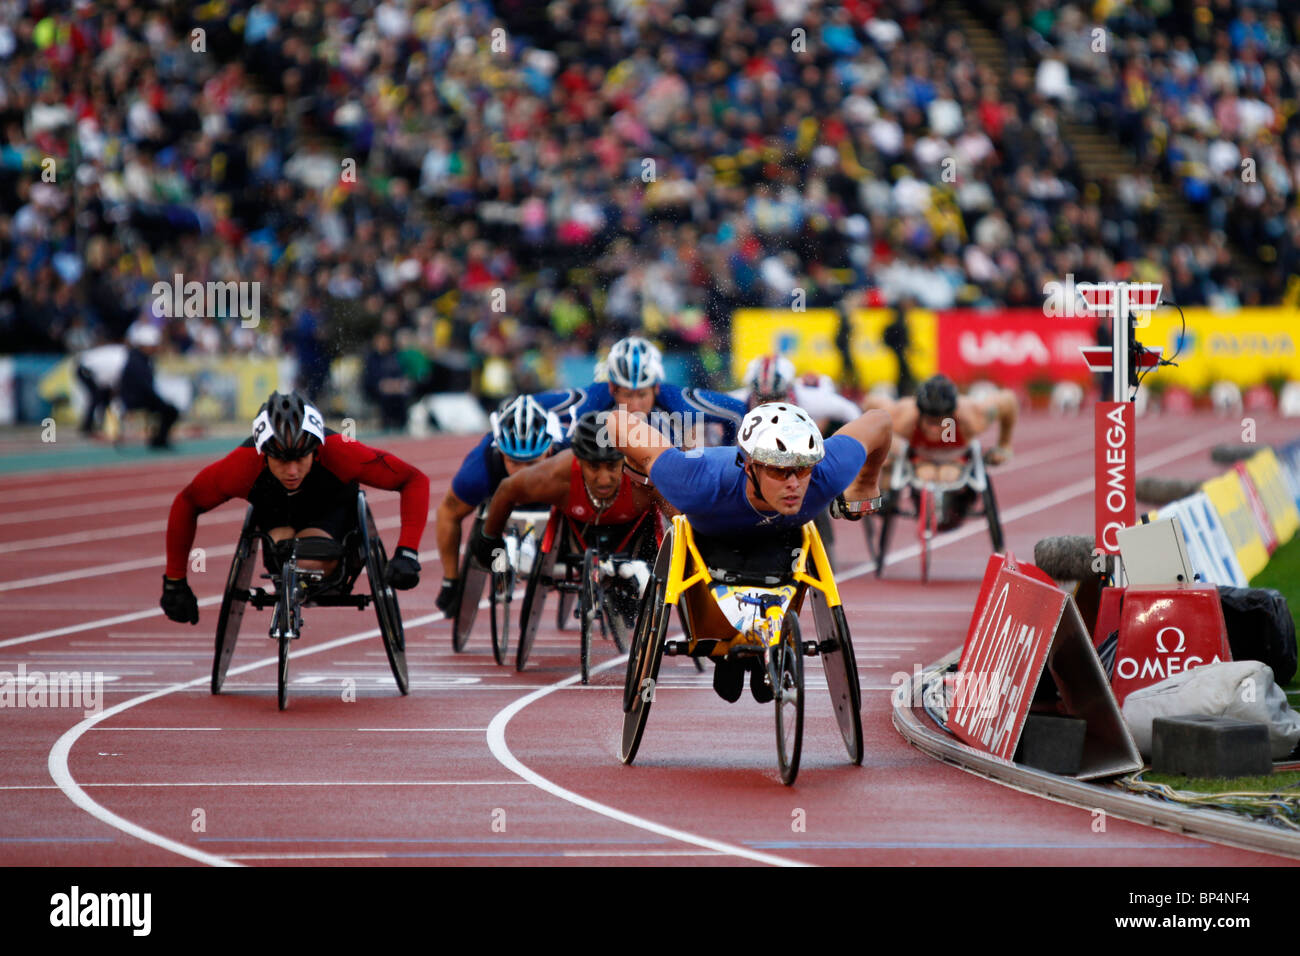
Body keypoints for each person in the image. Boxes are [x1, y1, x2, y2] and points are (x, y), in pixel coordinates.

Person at [608, 401, 891, 703]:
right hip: (712, 541)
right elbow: (617, 421)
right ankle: (731, 656)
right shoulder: (695, 480)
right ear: (749, 465)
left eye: (803, 468)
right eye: (780, 472)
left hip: (781, 544)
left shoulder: (826, 475)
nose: (794, 484)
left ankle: (761, 651)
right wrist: (639, 468)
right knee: (728, 668)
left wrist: (865, 482)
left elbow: (880, 421)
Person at [159, 392, 429, 625]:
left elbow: (413, 480)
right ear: (264, 452)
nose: (291, 471)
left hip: (330, 508)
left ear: (316, 449)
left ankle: (313, 570)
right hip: (276, 512)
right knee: (286, 556)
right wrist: (175, 582)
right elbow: (188, 502)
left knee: (310, 560)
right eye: (280, 459)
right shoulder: (242, 466)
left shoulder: (341, 453)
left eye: (300, 458)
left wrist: (407, 552)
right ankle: (292, 577)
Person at [469, 412, 663, 596]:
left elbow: (682, 521)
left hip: (635, 533)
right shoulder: (557, 476)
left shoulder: (647, 481)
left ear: (625, 458)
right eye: (594, 467)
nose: (604, 479)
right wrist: (489, 539)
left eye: (612, 467)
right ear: (579, 461)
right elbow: (506, 490)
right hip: (577, 533)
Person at [433, 394, 566, 617]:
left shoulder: (566, 457)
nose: (523, 473)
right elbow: (448, 513)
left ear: (549, 452)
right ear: (501, 453)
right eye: (514, 462)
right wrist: (451, 580)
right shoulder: (479, 470)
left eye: (532, 462)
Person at [886, 373, 1018, 530]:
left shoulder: (974, 418)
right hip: (921, 457)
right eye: (929, 422)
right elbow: (871, 402)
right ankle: (924, 507)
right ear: (919, 415)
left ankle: (956, 508)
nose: (935, 429)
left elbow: (1009, 400)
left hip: (956, 456)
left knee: (949, 475)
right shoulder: (901, 419)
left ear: (952, 415)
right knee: (925, 475)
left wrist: (1004, 445)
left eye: (941, 422)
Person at [566, 336, 746, 448]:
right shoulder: (592, 401)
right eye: (627, 395)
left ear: (656, 388)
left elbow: (739, 412)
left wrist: (728, 455)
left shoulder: (681, 403)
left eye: (642, 394)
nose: (635, 404)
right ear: (612, 388)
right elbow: (539, 408)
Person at [119, 323, 180, 449]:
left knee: (168, 408)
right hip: (135, 399)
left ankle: (158, 438)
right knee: (170, 410)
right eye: (153, 346)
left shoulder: (142, 359)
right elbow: (144, 388)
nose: (155, 348)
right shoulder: (137, 362)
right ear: (145, 346)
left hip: (140, 397)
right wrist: (159, 401)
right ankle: (159, 440)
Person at [74, 341, 127, 436]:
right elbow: (111, 381)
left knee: (104, 399)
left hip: (91, 367)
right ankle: (87, 427)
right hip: (86, 369)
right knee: (96, 398)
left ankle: (102, 424)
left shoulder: (123, 355)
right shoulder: (123, 361)